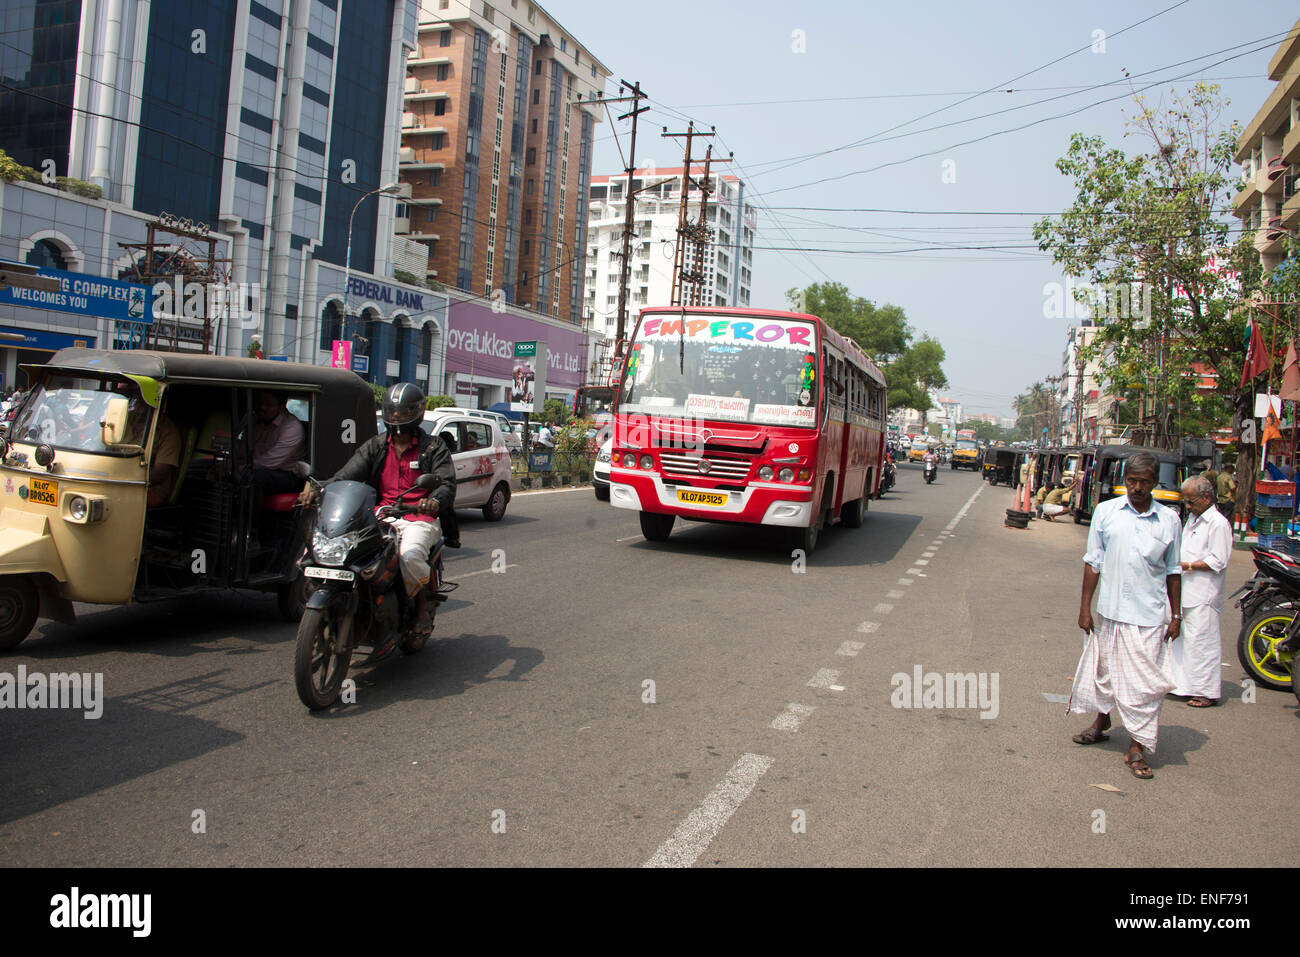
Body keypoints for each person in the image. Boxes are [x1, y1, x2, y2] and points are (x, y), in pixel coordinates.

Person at [298, 382, 456, 650]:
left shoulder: (433, 447)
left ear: (417, 412)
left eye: (403, 411)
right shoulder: (376, 446)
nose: (396, 417)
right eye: (392, 411)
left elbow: (446, 484)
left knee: (409, 555)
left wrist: (433, 501)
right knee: (341, 551)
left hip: (418, 518)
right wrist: (317, 489)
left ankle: (419, 608)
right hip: (380, 515)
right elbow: (345, 476)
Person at [1070, 451, 1181, 781]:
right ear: (1124, 480)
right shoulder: (1106, 513)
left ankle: (1137, 745)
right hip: (1111, 613)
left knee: (1142, 686)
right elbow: (1093, 563)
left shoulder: (1169, 520)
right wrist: (1084, 608)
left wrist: (1177, 616)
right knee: (1104, 674)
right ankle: (1101, 723)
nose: (1137, 487)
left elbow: (1174, 571)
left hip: (1149, 616)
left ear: (1154, 482)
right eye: (1131, 481)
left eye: (1144, 481)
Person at [1171, 476, 1231, 708]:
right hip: (1186, 589)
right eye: (1185, 501)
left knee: (1203, 643)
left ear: (1206, 498)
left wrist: (1190, 565)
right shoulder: (1194, 519)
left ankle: (1207, 691)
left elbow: (1218, 560)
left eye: (1191, 501)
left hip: (1204, 591)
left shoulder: (1218, 523)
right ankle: (1184, 685)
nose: (1188, 507)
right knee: (1185, 640)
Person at [251, 390, 307, 501]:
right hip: (256, 466)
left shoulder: (292, 428)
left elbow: (270, 462)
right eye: (260, 402)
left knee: (256, 478)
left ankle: (249, 518)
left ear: (282, 406)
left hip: (286, 474)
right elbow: (242, 448)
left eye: (269, 404)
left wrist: (240, 468)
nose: (262, 406)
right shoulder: (255, 421)